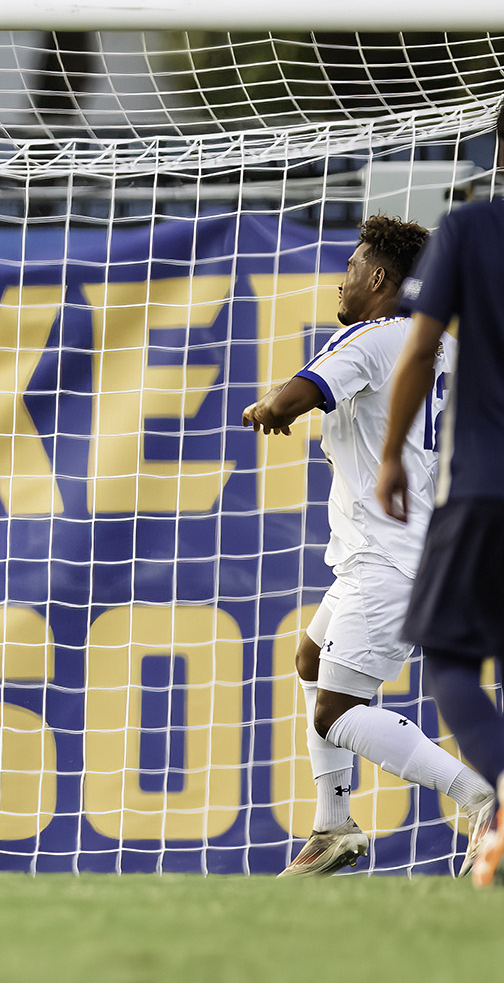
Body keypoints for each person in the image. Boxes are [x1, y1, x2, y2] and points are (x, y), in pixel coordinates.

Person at [242, 216, 492, 877]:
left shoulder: (370, 337)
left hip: (388, 555)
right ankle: (333, 825)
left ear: (379, 277)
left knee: (335, 711)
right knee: (310, 656)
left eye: (352, 268)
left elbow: (295, 398)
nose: (343, 280)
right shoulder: (449, 348)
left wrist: (268, 407)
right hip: (425, 548)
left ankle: (481, 798)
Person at [376, 110, 504, 885]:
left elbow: (422, 347)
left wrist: (392, 453)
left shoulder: (470, 228)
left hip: (485, 486)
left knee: (452, 658)